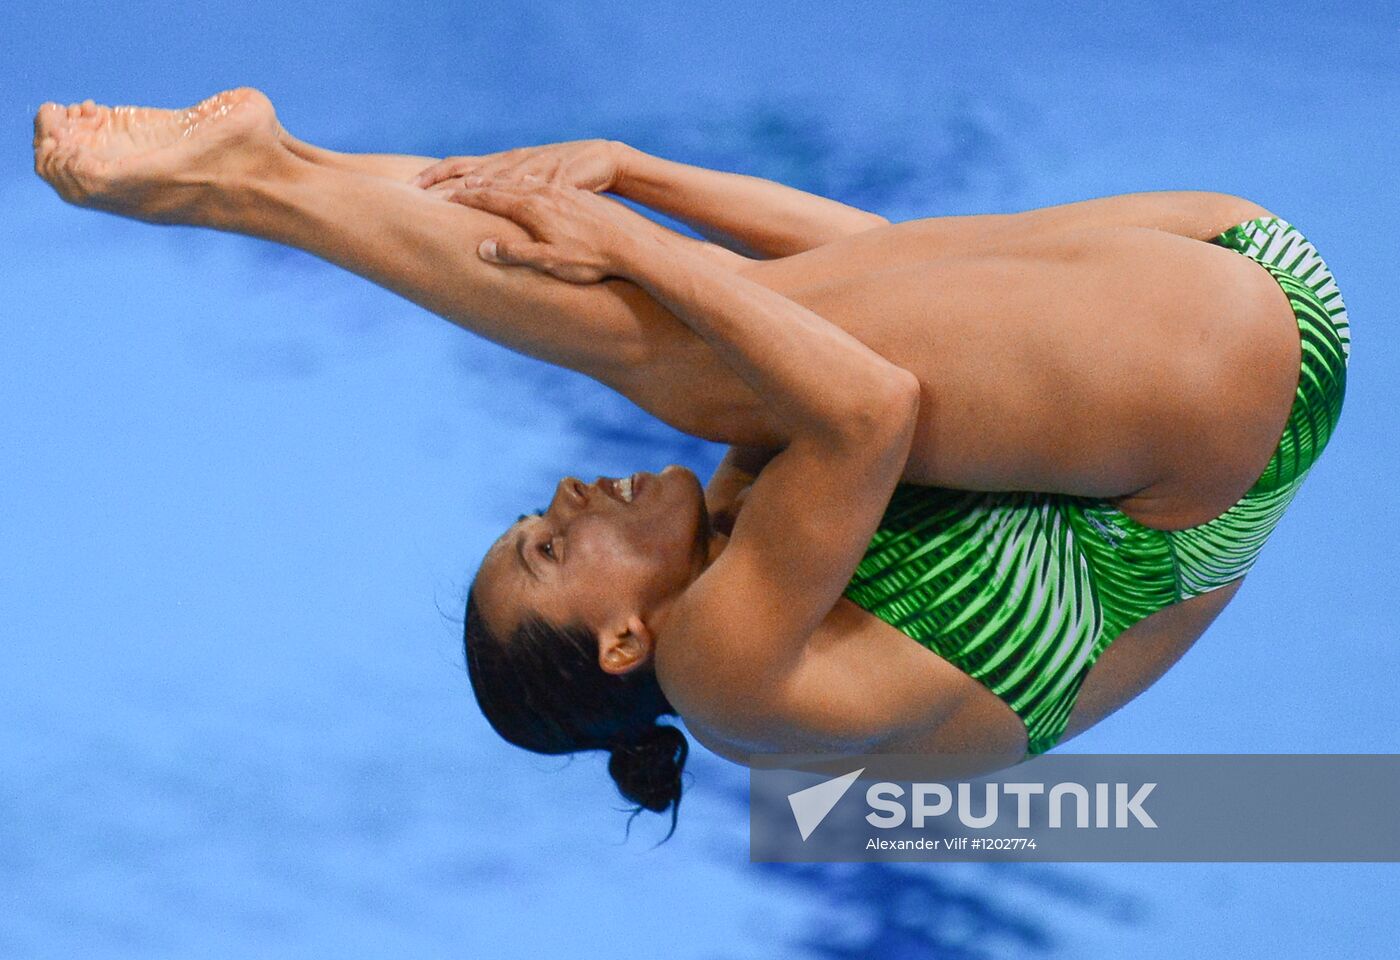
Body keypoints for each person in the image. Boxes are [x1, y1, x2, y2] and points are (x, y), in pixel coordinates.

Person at [34, 89, 1349, 837]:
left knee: (711, 327)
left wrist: (634, 172)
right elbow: (873, 401)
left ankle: (287, 164)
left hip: (1226, 300)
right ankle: (252, 186)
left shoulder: (746, 536)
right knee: (682, 343)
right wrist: (628, 233)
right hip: (1224, 404)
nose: (561, 500)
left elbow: (882, 260)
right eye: (549, 551)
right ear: (620, 645)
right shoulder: (725, 680)